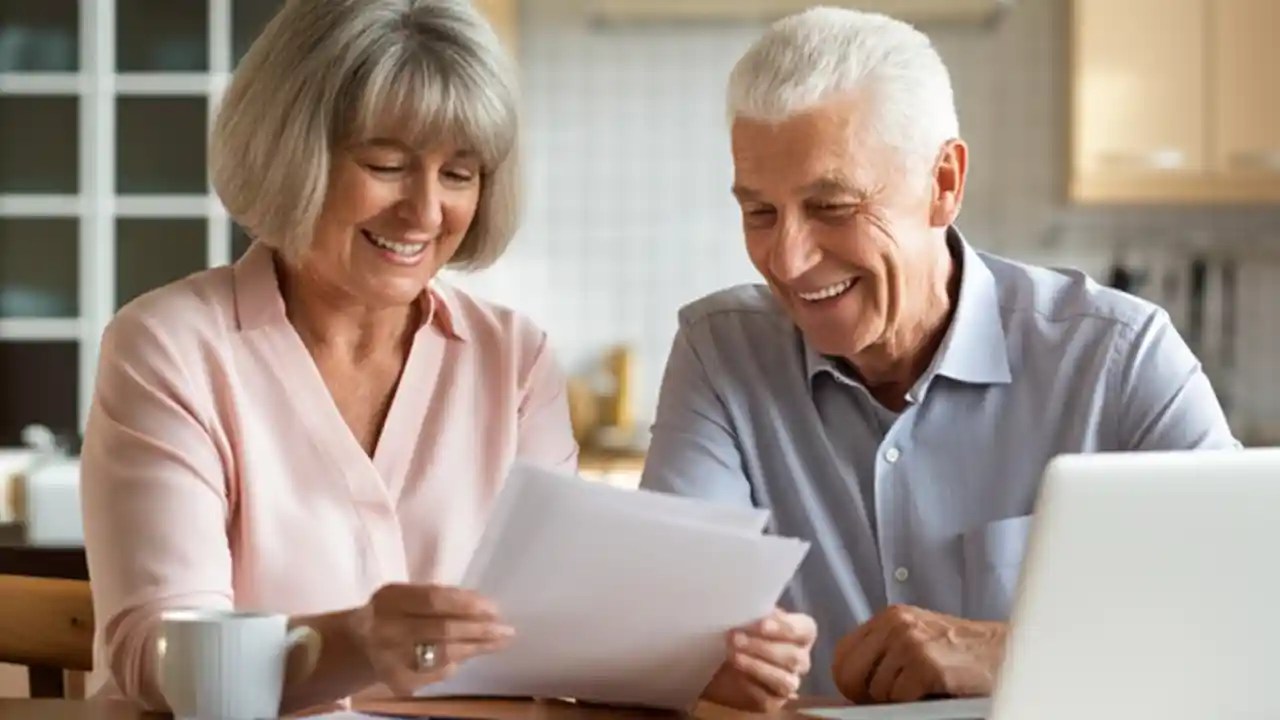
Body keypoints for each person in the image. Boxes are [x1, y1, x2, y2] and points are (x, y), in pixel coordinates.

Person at [80, 0, 813, 713]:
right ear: (289, 153)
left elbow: (555, 637)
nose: (426, 212)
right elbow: (160, 654)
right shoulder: (170, 348)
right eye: (388, 164)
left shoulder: (513, 360)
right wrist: (358, 641)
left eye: (459, 175)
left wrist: (691, 659)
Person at [639, 6, 1239, 705]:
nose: (789, 259)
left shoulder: (1120, 357)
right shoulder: (721, 355)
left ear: (944, 185)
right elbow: (668, 623)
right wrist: (696, 653)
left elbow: (1247, 613)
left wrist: (1013, 652)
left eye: (832, 206)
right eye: (759, 213)